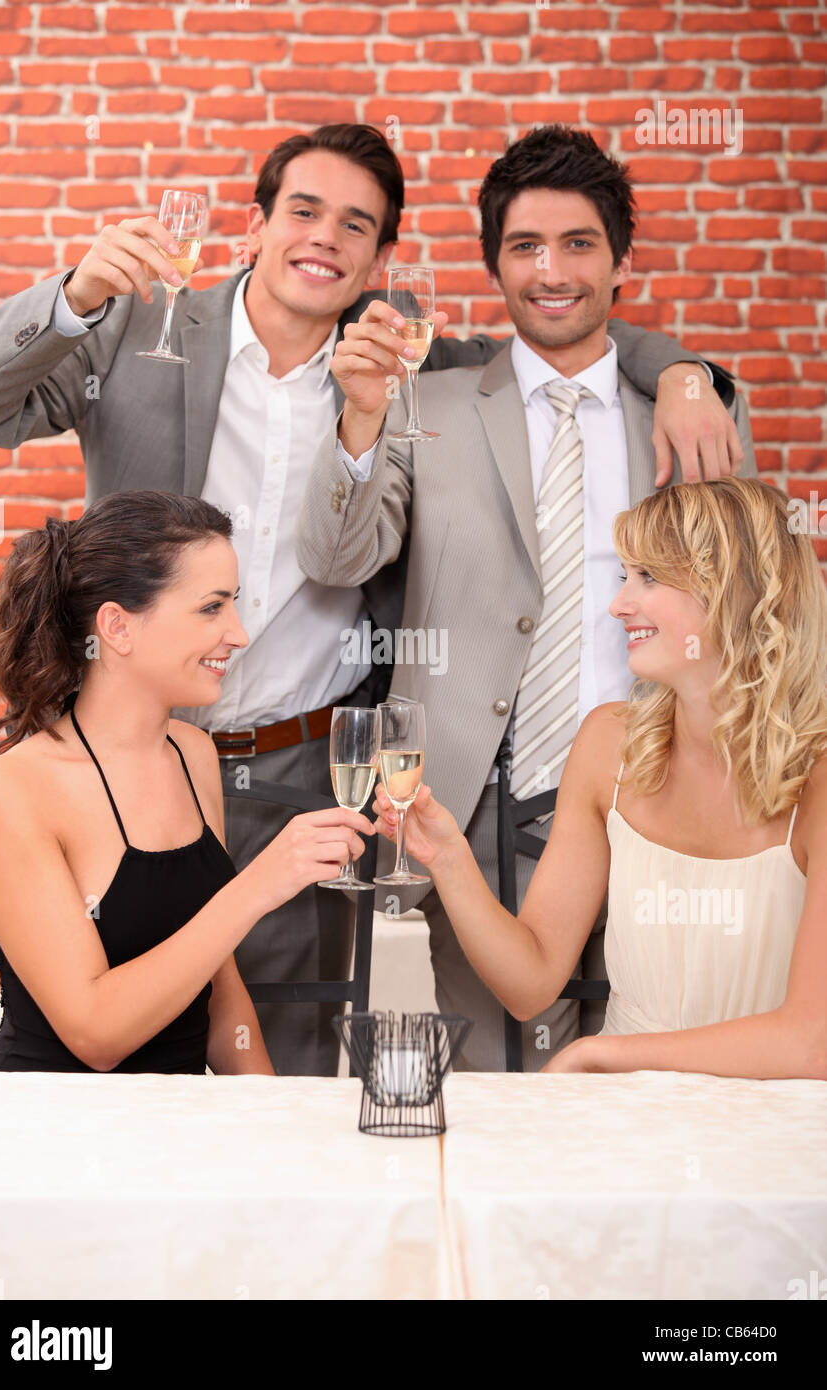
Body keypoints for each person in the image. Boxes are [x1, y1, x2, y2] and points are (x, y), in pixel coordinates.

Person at [0, 122, 746, 1075]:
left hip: (307, 762)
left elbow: (561, 334)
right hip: (141, 753)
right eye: (303, 211)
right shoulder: (138, 329)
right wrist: (76, 296)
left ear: (381, 259)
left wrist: (685, 374)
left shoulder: (406, 365)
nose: (325, 238)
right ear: (255, 225)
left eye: (356, 224)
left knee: (282, 1055)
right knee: (105, 1024)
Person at [297, 124, 758, 1072]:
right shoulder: (425, 402)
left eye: (578, 244)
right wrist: (360, 420)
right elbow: (338, 559)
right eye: (524, 247)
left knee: (652, 1072)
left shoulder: (689, 413)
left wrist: (686, 372)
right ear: (494, 264)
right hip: (474, 807)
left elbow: (736, 601)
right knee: (497, 1100)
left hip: (658, 796)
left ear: (621, 260)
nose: (551, 272)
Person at [372, 478, 827, 1081]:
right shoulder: (610, 745)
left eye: (650, 578)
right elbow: (531, 983)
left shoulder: (818, 782)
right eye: (624, 577)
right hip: (626, 1113)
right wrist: (449, 857)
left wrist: (605, 1053)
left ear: (734, 593)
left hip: (765, 1118)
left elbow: (810, 1045)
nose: (618, 605)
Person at [0, 492, 372, 1074]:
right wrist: (258, 886)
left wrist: (271, 1112)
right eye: (211, 608)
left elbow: (221, 991)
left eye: (233, 605)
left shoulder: (193, 754)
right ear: (117, 627)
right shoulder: (8, 790)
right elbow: (95, 1034)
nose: (239, 634)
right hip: (56, 1122)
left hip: (180, 1118)